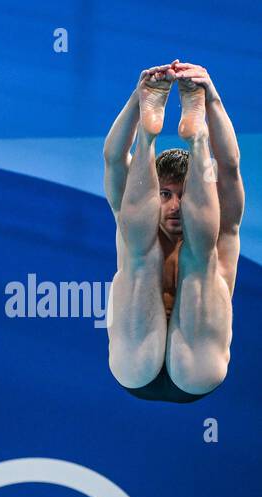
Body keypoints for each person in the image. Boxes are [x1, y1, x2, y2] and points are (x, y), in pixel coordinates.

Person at [102, 59, 243, 402]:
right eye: (164, 194)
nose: (175, 206)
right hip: (136, 359)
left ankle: (198, 139)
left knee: (200, 256)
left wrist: (212, 101)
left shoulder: (221, 228)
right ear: (153, 192)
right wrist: (139, 102)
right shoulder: (136, 224)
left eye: (183, 194)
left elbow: (229, 168)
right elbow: (114, 159)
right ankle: (150, 139)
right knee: (142, 252)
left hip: (197, 363)